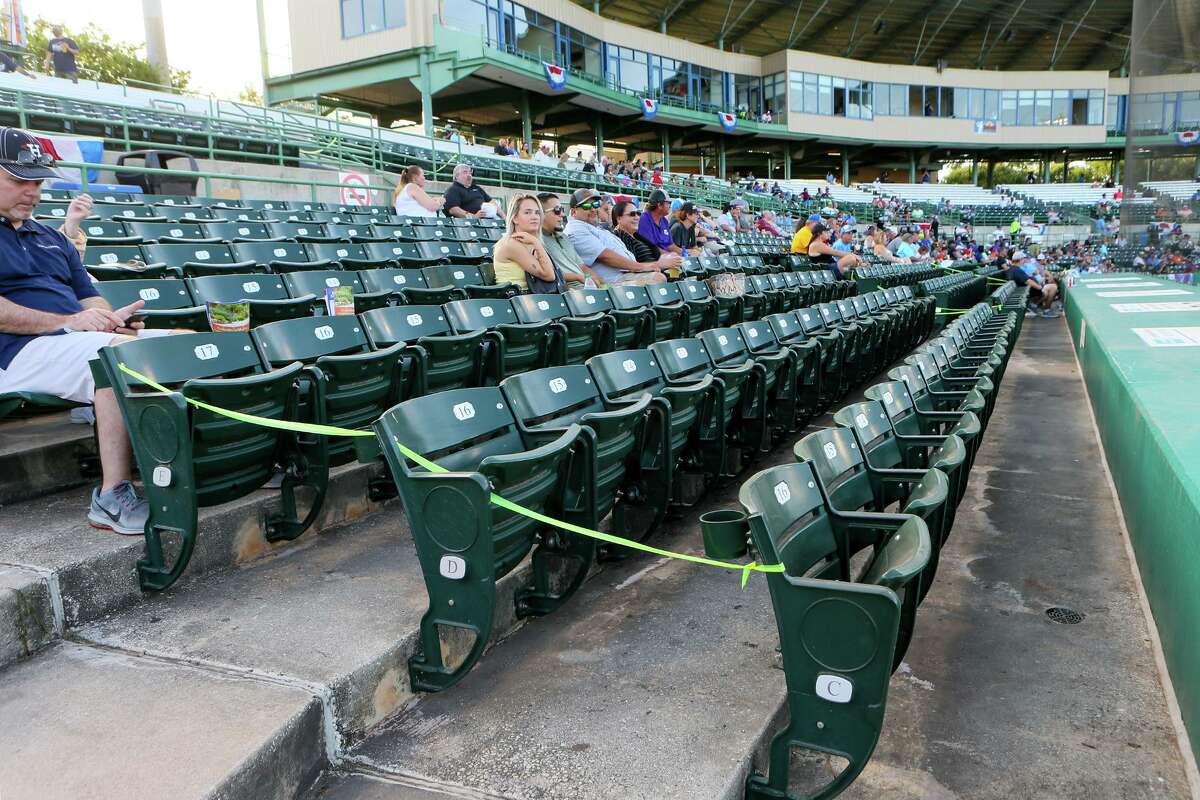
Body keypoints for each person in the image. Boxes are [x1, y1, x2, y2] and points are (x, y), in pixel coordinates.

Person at [0, 128, 176, 534]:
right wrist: (69, 323)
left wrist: (108, 319)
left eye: (37, 182)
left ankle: (206, 462)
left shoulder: (49, 236)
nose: (32, 191)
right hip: (16, 353)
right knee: (114, 356)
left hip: (71, 342)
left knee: (187, 344)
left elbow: (89, 298)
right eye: (18, 180)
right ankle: (112, 495)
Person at [565, 188, 678, 285]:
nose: (593, 209)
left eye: (595, 205)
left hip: (628, 273)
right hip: (615, 281)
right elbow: (605, 256)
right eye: (586, 206)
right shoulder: (576, 229)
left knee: (674, 272)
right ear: (573, 211)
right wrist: (648, 266)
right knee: (658, 278)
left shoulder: (594, 227)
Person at [492, 194, 559, 292]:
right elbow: (549, 275)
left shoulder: (529, 241)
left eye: (537, 213)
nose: (534, 217)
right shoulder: (510, 244)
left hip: (532, 297)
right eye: (527, 212)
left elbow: (552, 272)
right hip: (515, 298)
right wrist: (536, 242)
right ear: (515, 218)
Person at [537, 192, 592, 287]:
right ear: (541, 214)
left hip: (587, 287)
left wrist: (600, 282)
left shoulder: (564, 237)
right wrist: (577, 277)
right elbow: (546, 275)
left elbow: (582, 267)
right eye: (557, 210)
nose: (562, 214)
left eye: (562, 210)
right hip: (569, 291)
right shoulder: (536, 241)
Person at [1007, 250, 1058, 316]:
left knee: (1051, 287)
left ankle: (1042, 307)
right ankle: (1045, 309)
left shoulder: (1013, 268)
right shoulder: (1016, 270)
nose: (1024, 260)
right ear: (1020, 260)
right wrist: (1039, 287)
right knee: (1053, 287)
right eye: (1023, 259)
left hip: (1025, 290)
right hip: (1027, 291)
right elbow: (1028, 281)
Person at [637, 188, 681, 255]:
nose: (670, 206)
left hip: (665, 257)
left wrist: (685, 253)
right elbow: (651, 248)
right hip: (653, 259)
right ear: (659, 205)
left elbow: (670, 245)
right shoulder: (644, 220)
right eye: (668, 203)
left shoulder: (664, 221)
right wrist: (670, 256)